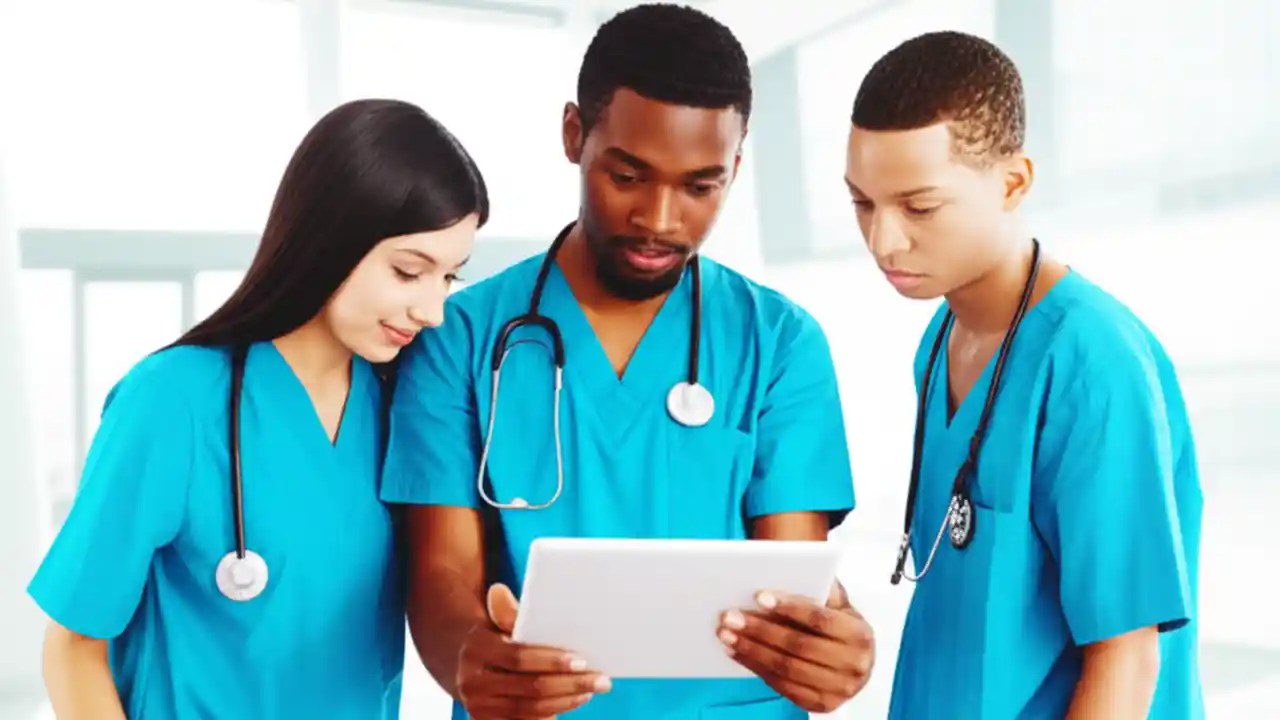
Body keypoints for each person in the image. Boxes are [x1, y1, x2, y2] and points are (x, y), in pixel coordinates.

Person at [381, 4, 874, 719]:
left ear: (735, 169)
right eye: (629, 176)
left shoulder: (780, 343)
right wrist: (470, 660)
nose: (661, 218)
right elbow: (443, 572)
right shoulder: (459, 335)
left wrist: (826, 649)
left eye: (701, 187)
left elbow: (790, 587)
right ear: (575, 135)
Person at [27, 98, 487, 719]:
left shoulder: (403, 406)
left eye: (449, 279)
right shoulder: (172, 402)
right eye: (409, 272)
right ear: (331, 236)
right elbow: (74, 643)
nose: (432, 310)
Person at [843, 30, 1204, 719]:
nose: (883, 240)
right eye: (863, 203)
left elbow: (1126, 658)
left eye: (919, 207)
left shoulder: (1093, 362)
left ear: (1012, 182)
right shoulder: (940, 339)